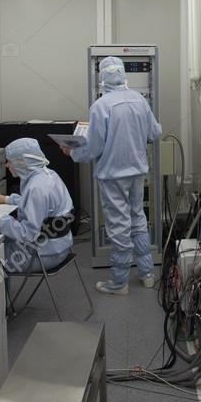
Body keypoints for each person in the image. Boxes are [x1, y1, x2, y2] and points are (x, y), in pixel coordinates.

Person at [64, 56, 162, 295]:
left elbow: (94, 148)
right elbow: (156, 132)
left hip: (112, 175)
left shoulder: (101, 106)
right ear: (123, 74)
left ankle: (119, 282)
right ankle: (147, 273)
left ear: (102, 78)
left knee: (119, 226)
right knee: (138, 219)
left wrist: (72, 152)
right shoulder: (139, 100)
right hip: (137, 171)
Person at [0, 138, 74, 274]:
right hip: (59, 248)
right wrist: (8, 199)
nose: (7, 165)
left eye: (9, 161)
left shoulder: (36, 189)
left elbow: (28, 234)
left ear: (22, 162)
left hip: (41, 256)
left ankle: (3, 296)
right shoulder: (49, 175)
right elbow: (41, 205)